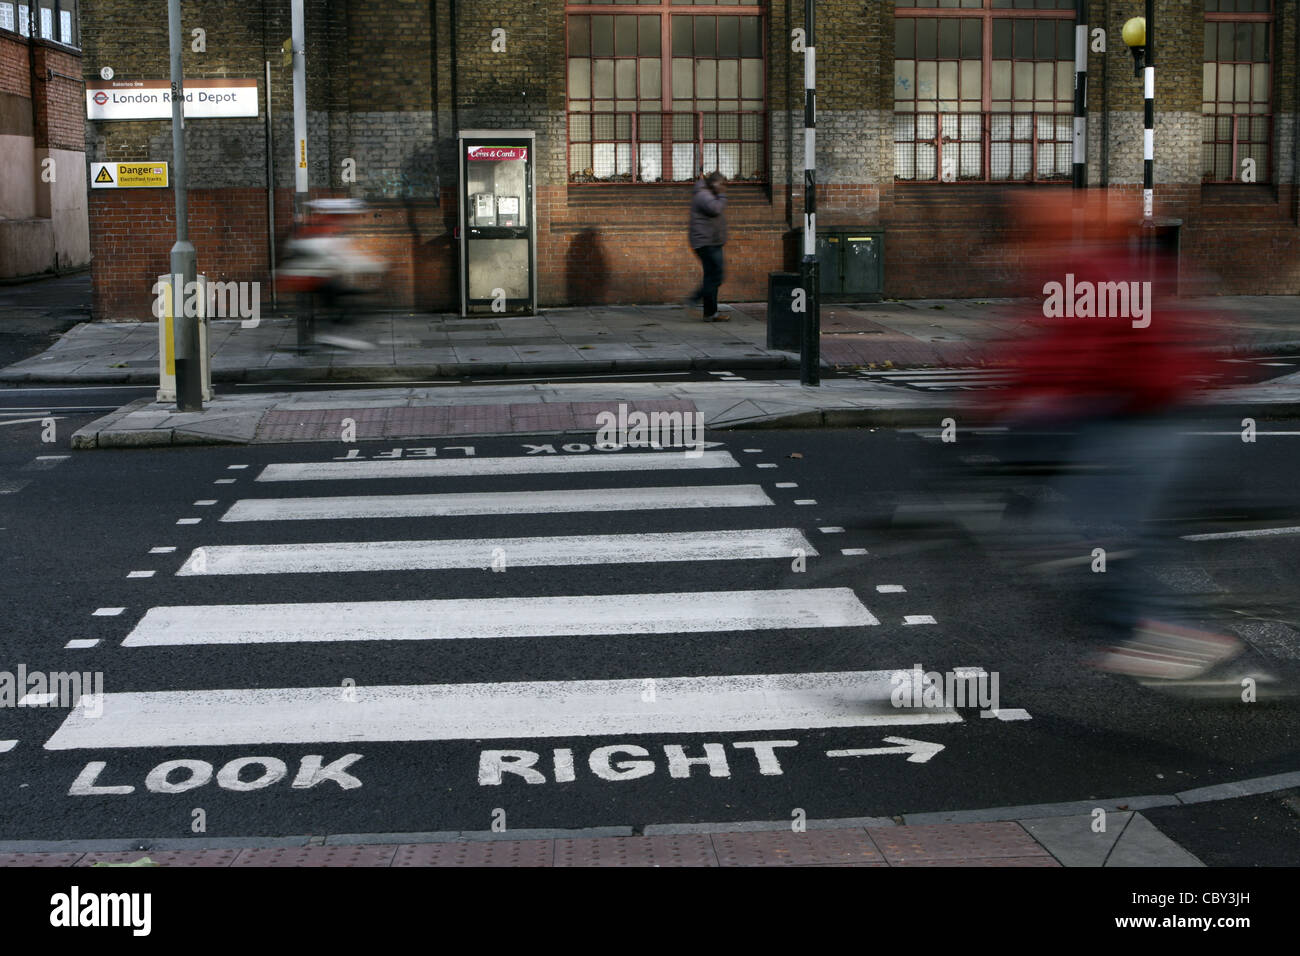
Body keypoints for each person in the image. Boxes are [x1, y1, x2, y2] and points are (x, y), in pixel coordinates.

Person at [685, 171, 728, 322]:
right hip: (706, 243)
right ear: (713, 183)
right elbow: (716, 209)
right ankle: (695, 298)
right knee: (716, 277)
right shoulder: (703, 195)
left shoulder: (707, 194)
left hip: (712, 242)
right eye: (720, 184)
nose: (723, 187)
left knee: (712, 277)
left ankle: (710, 313)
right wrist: (722, 195)